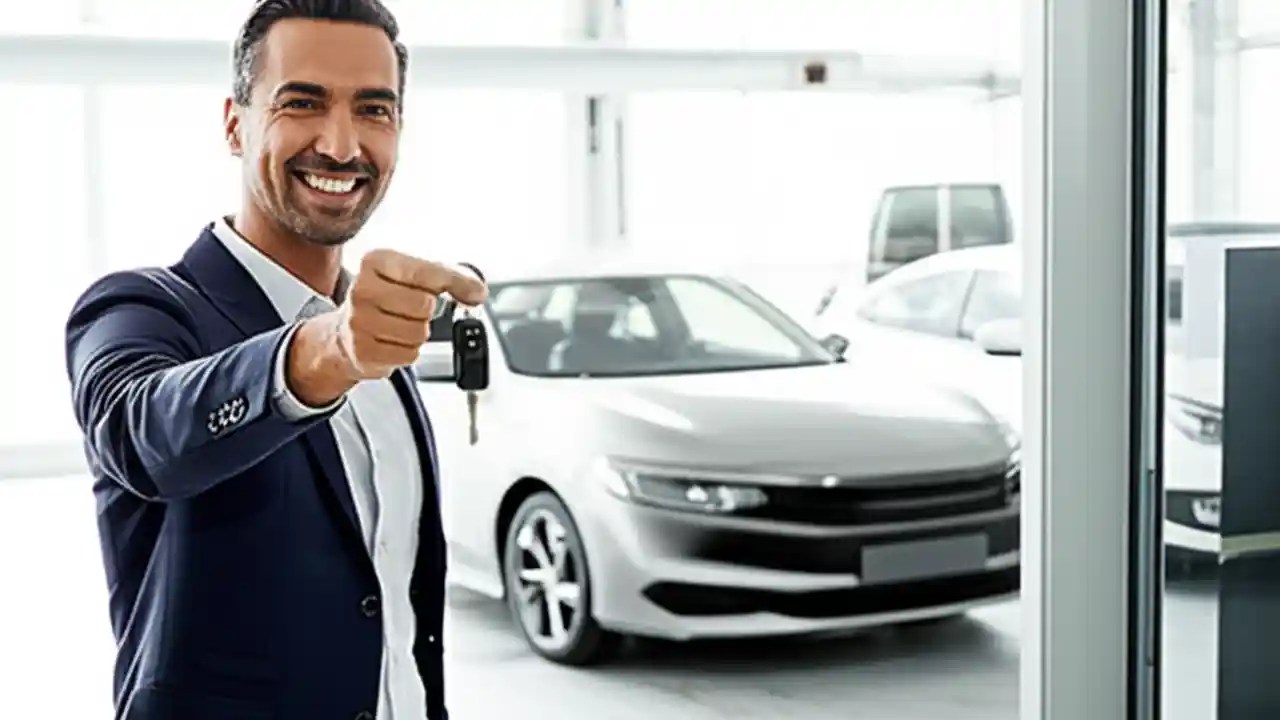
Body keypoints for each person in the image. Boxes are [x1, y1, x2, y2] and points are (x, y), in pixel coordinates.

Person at [63, 1, 485, 718]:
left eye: (374, 110)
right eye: (303, 102)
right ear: (236, 123)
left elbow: (394, 611)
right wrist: (322, 353)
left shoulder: (382, 342)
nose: (342, 145)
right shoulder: (140, 309)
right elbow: (141, 433)